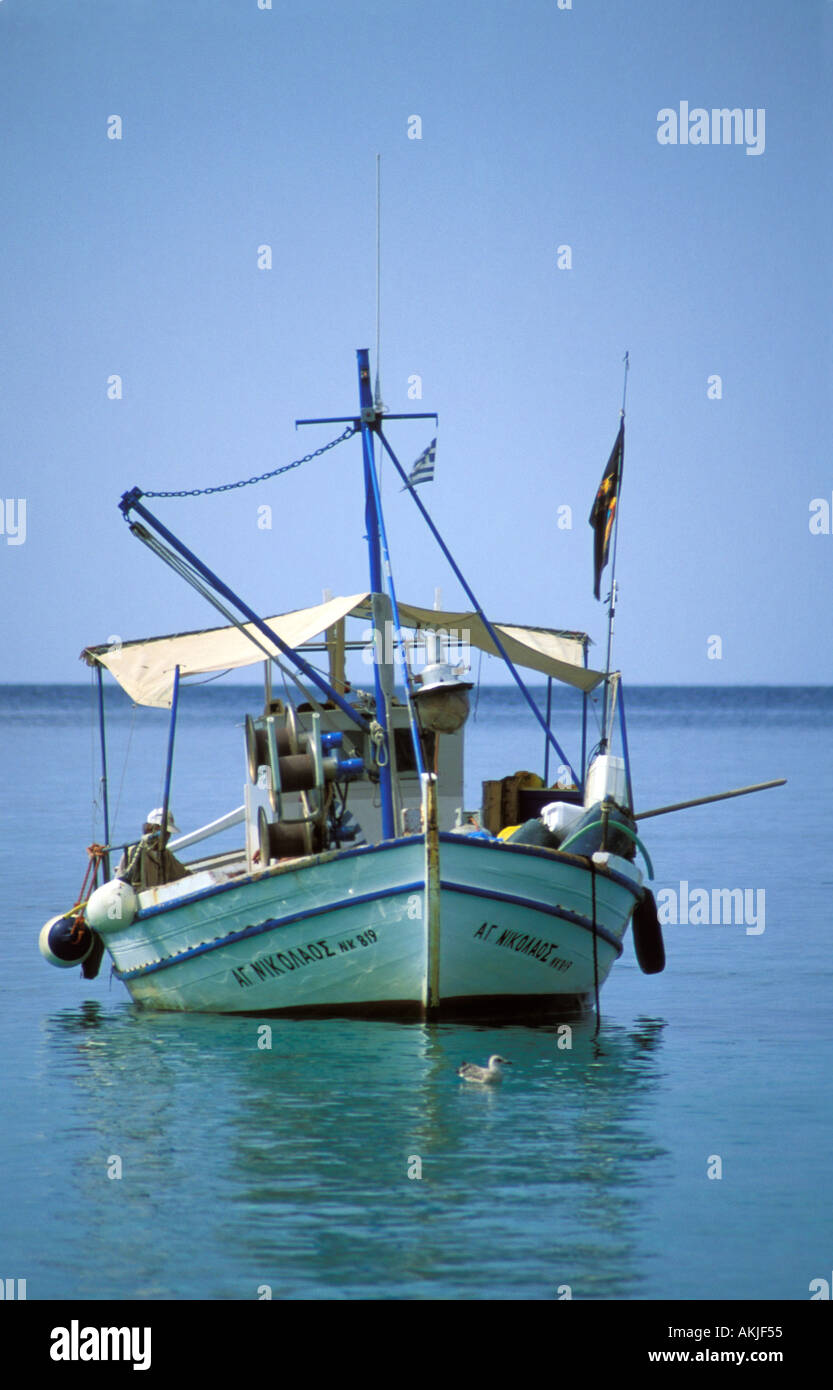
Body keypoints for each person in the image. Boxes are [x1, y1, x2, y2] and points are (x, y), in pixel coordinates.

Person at [117, 808, 190, 890]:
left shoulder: (165, 855)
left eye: (169, 833)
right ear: (154, 830)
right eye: (166, 832)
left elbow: (182, 875)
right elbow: (120, 886)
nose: (168, 836)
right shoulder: (134, 852)